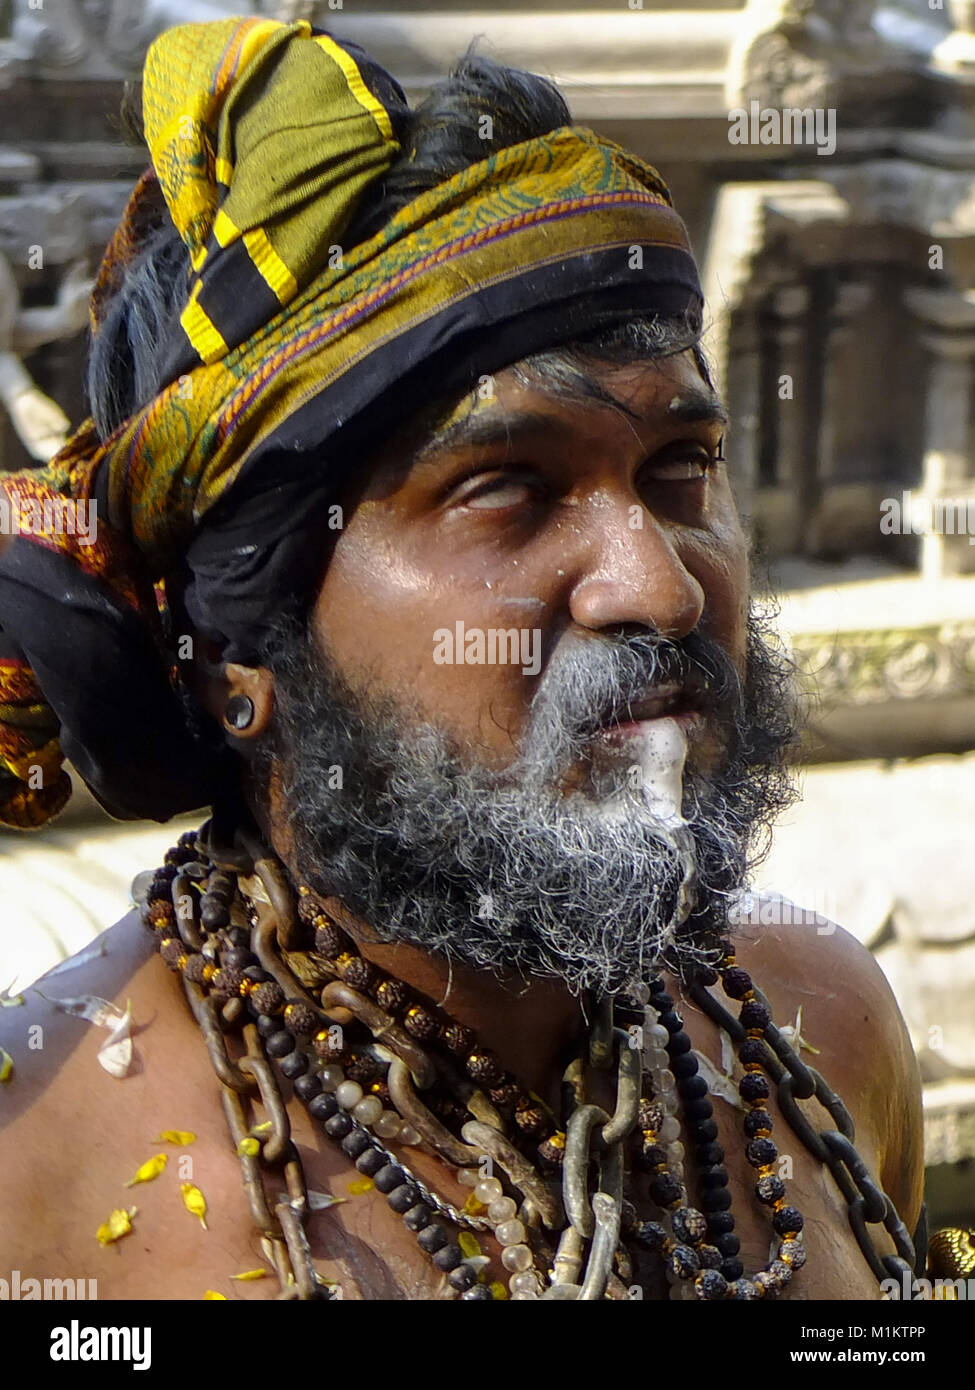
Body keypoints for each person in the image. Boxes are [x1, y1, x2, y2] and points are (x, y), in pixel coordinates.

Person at [0, 15, 930, 1301]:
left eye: (681, 472)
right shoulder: (41, 1181)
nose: (657, 584)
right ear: (236, 644)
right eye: (505, 487)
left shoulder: (824, 1021)